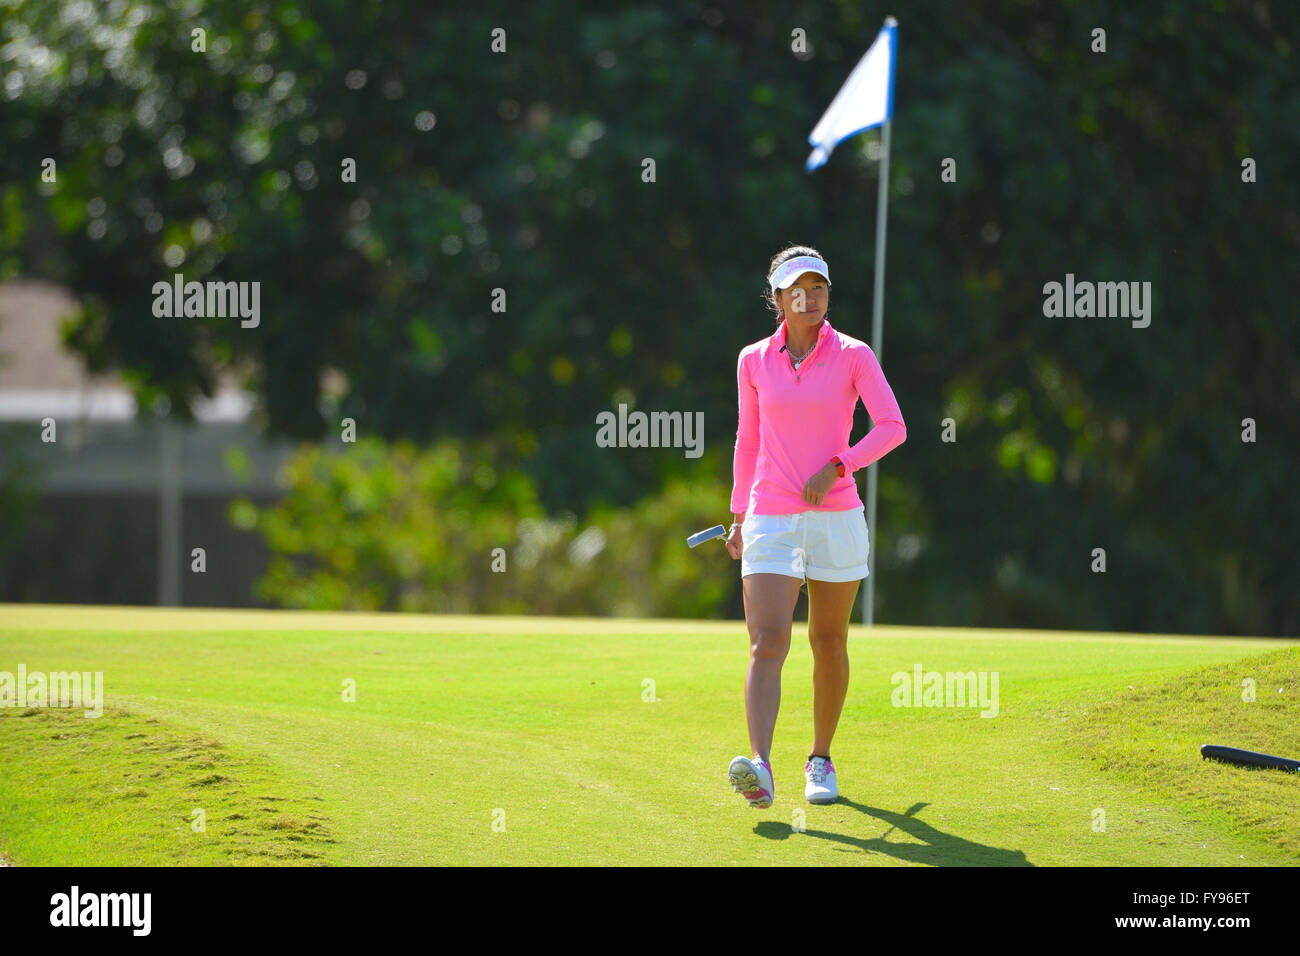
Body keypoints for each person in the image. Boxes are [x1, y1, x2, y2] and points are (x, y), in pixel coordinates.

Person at [725, 244, 907, 808]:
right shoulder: (753, 360)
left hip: (837, 516)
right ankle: (760, 765)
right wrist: (738, 518)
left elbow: (892, 426)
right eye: (797, 289)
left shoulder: (853, 354)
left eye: (819, 287)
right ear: (777, 298)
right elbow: (748, 440)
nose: (811, 298)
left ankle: (820, 758)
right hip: (771, 515)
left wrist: (839, 465)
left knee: (828, 641)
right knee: (767, 641)